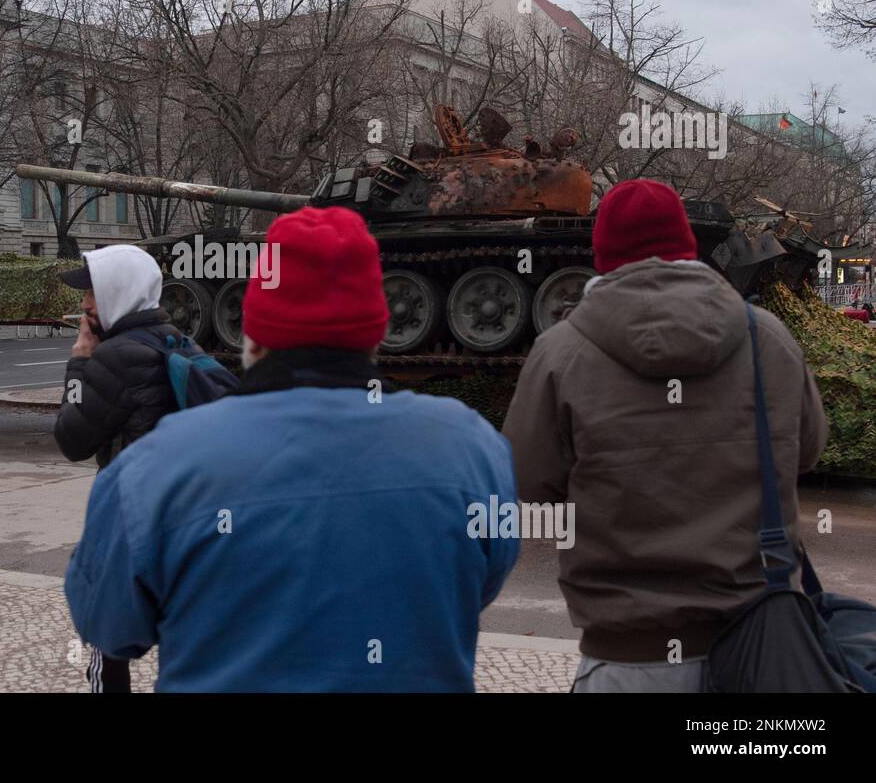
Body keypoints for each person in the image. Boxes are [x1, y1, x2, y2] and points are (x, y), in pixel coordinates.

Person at [64, 207, 519, 691]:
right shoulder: (474, 450)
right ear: (377, 333)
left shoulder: (155, 467)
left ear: (252, 335)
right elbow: (482, 583)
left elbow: (107, 624)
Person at [503, 179, 828, 692]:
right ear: (687, 245)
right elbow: (806, 452)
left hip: (629, 658)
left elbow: (526, 485)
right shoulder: (767, 339)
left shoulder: (561, 353)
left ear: (602, 253)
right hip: (762, 651)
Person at [53, 243, 184, 693]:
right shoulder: (173, 338)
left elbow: (70, 438)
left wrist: (79, 362)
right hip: (180, 516)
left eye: (90, 292)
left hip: (129, 521)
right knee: (178, 636)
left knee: (106, 636)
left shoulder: (116, 357)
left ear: (116, 294)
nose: (84, 303)